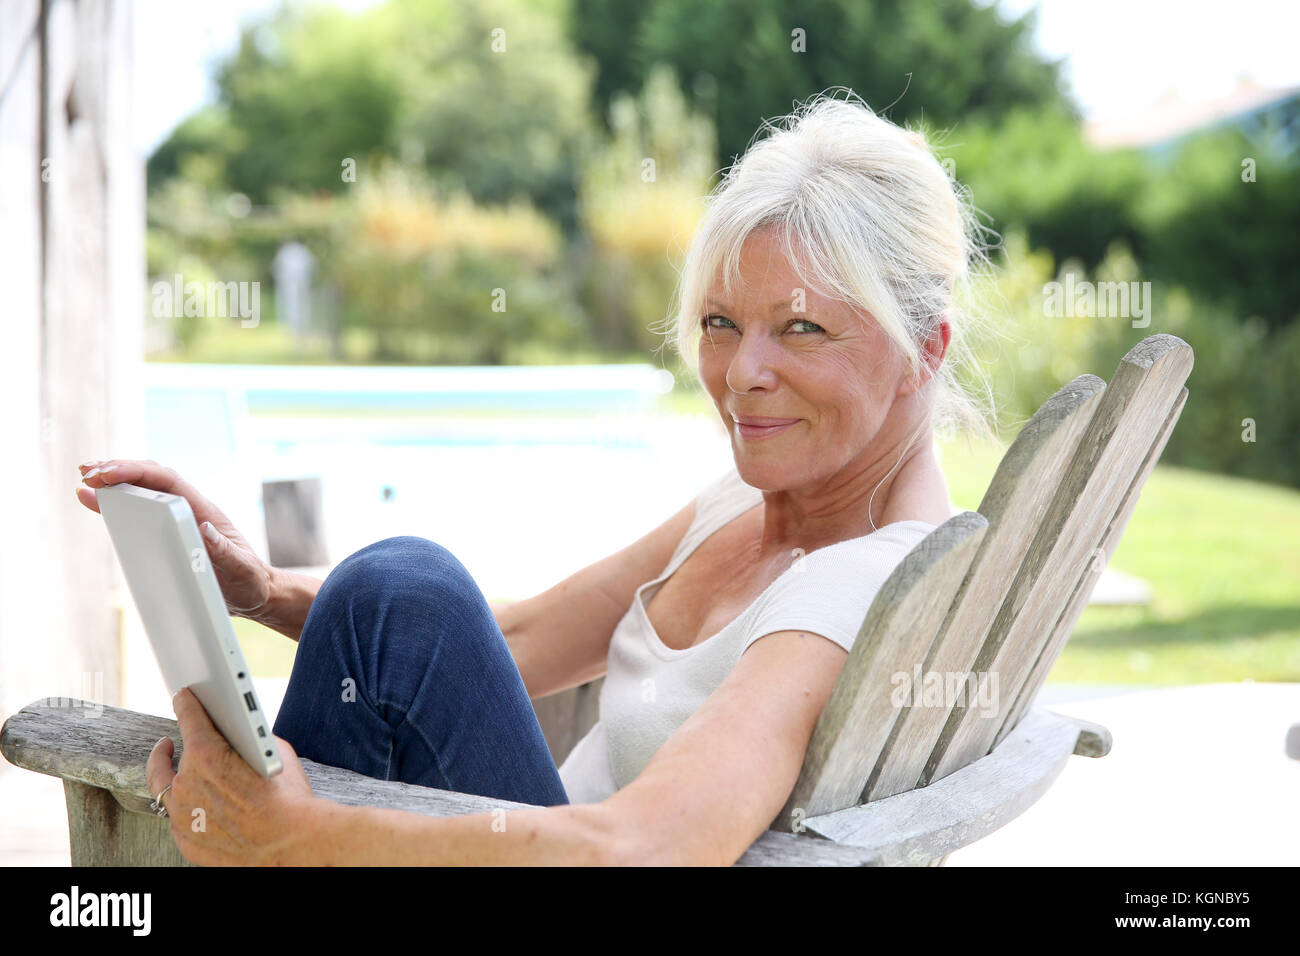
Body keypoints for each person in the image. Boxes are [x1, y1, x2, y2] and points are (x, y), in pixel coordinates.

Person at [75, 90, 994, 865]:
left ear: (923, 349)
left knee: (404, 585)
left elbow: (644, 848)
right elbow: (509, 640)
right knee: (404, 591)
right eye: (721, 322)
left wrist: (296, 838)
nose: (743, 372)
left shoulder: (850, 587)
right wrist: (264, 591)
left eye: (801, 329)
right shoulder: (768, 497)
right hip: (544, 825)